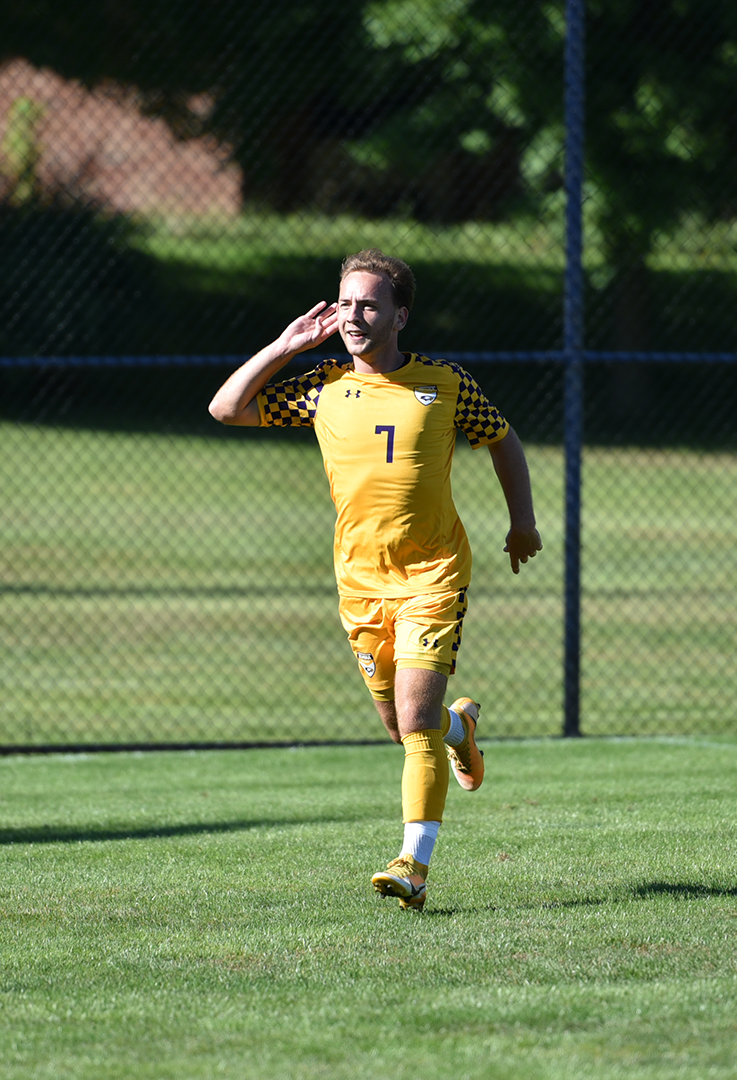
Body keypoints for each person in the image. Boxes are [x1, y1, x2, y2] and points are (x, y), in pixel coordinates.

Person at [207, 249, 542, 911]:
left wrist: (522, 521)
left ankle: (413, 867)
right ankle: (461, 731)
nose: (354, 317)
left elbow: (502, 438)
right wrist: (284, 345)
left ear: (400, 314)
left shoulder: (445, 384)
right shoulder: (321, 385)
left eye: (368, 305)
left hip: (432, 577)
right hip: (360, 585)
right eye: (345, 303)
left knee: (413, 720)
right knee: (402, 726)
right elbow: (226, 408)